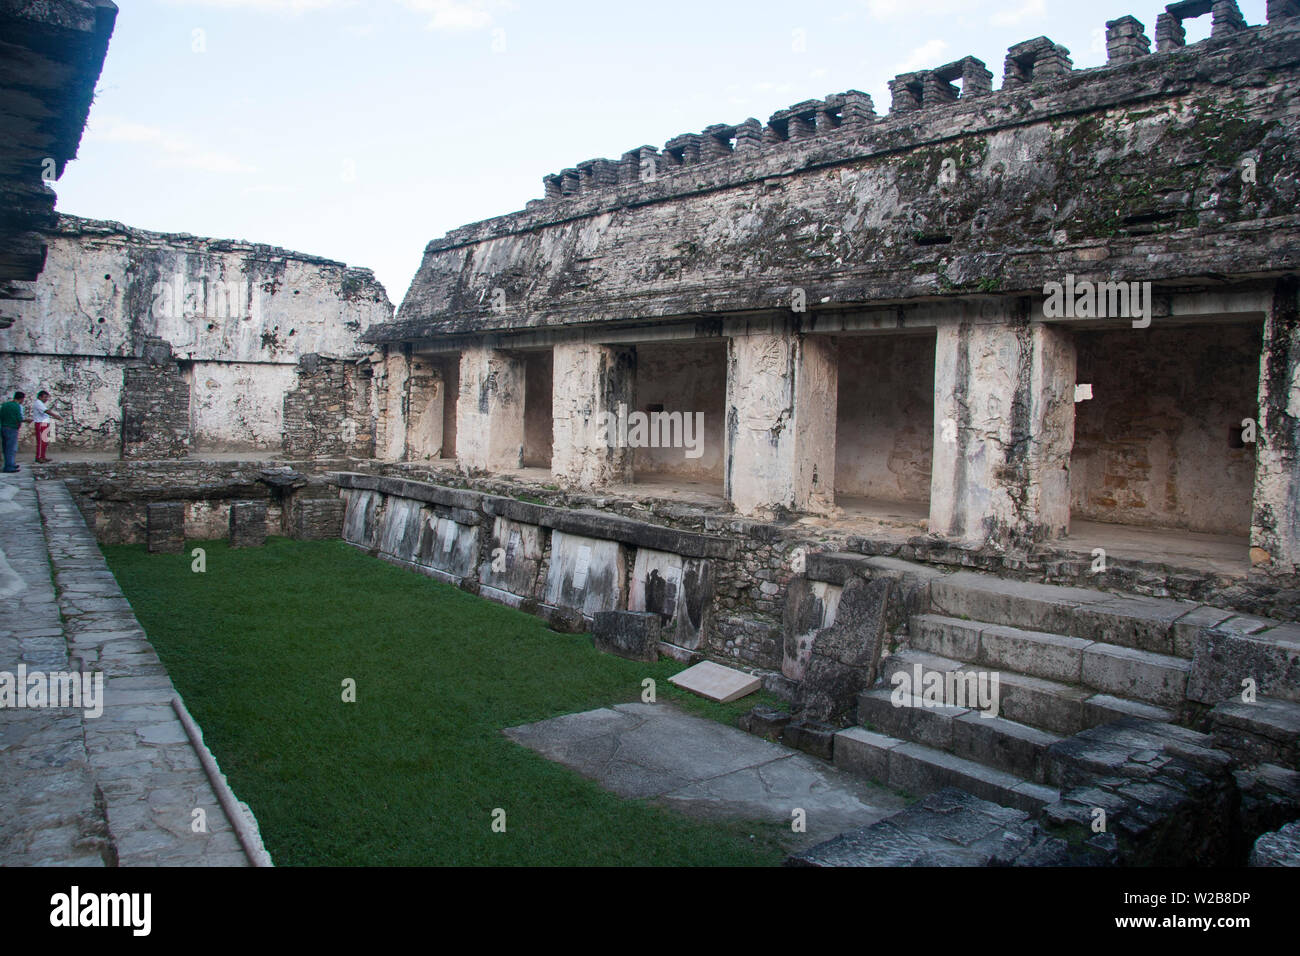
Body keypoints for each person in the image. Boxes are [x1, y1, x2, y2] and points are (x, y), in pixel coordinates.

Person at [31, 390, 62, 464]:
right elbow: (46, 411)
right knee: (41, 442)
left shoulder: (41, 403)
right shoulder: (38, 403)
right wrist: (56, 416)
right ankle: (39, 457)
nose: (46, 399)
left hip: (44, 423)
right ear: (40, 397)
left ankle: (42, 456)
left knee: (44, 442)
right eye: (45, 397)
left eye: (47, 397)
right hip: (40, 423)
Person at [1, 391, 24, 473]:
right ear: (21, 399)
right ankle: (9, 466)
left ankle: (9, 463)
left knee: (5, 447)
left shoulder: (5, 405)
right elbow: (19, 418)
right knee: (11, 448)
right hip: (12, 427)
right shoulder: (16, 406)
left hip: (3, 427)